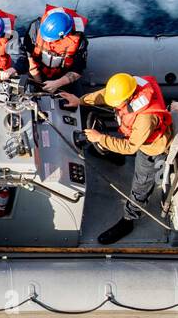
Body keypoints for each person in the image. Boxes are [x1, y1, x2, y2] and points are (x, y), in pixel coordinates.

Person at [60, 72, 171, 245]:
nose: (113, 105)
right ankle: (113, 157)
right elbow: (106, 94)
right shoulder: (129, 86)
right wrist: (80, 100)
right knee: (109, 141)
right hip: (135, 136)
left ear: (129, 98)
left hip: (152, 147)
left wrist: (99, 138)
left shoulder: (145, 119)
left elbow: (130, 147)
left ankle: (129, 219)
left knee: (142, 184)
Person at [19, 5, 88, 92]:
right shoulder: (35, 28)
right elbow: (29, 56)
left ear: (64, 35)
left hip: (63, 77)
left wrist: (57, 83)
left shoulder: (80, 41)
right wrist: (39, 84)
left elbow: (77, 70)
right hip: (37, 73)